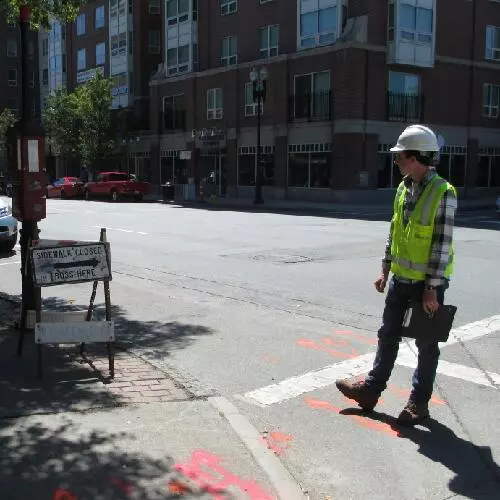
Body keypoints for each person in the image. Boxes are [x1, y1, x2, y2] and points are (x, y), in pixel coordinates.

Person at [336, 124, 458, 426]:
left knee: (426, 346)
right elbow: (395, 230)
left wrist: (432, 288)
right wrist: (385, 268)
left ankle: (418, 403)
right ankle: (370, 391)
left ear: (415, 157)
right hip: (401, 281)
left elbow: (441, 245)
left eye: (400, 155)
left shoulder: (443, 192)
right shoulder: (404, 188)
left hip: (427, 286)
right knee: (387, 335)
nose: (396, 161)